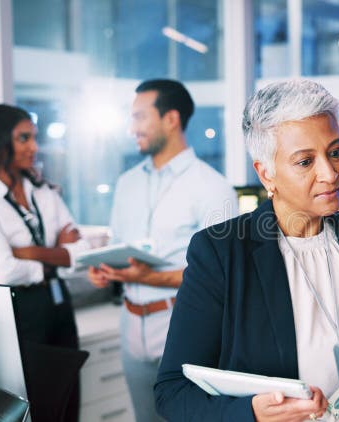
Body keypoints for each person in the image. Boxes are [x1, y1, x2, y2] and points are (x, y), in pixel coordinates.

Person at [154, 79, 339, 421]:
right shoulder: (221, 253)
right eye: (305, 162)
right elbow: (172, 392)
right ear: (266, 174)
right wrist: (250, 414)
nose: (329, 174)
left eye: (335, 152)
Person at [86, 79, 238, 421]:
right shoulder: (127, 184)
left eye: (140, 117)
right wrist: (104, 267)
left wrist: (151, 277)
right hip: (131, 333)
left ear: (171, 119)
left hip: (188, 334)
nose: (132, 128)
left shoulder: (212, 188)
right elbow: (120, 248)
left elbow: (222, 276)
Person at [0, 104, 89, 421]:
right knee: (34, 404)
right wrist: (57, 254)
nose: (34, 146)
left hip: (58, 302)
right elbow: (2, 269)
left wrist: (28, 252)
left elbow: (81, 249)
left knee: (68, 401)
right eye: (23, 138)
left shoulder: (42, 191)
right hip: (20, 309)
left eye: (33, 137)